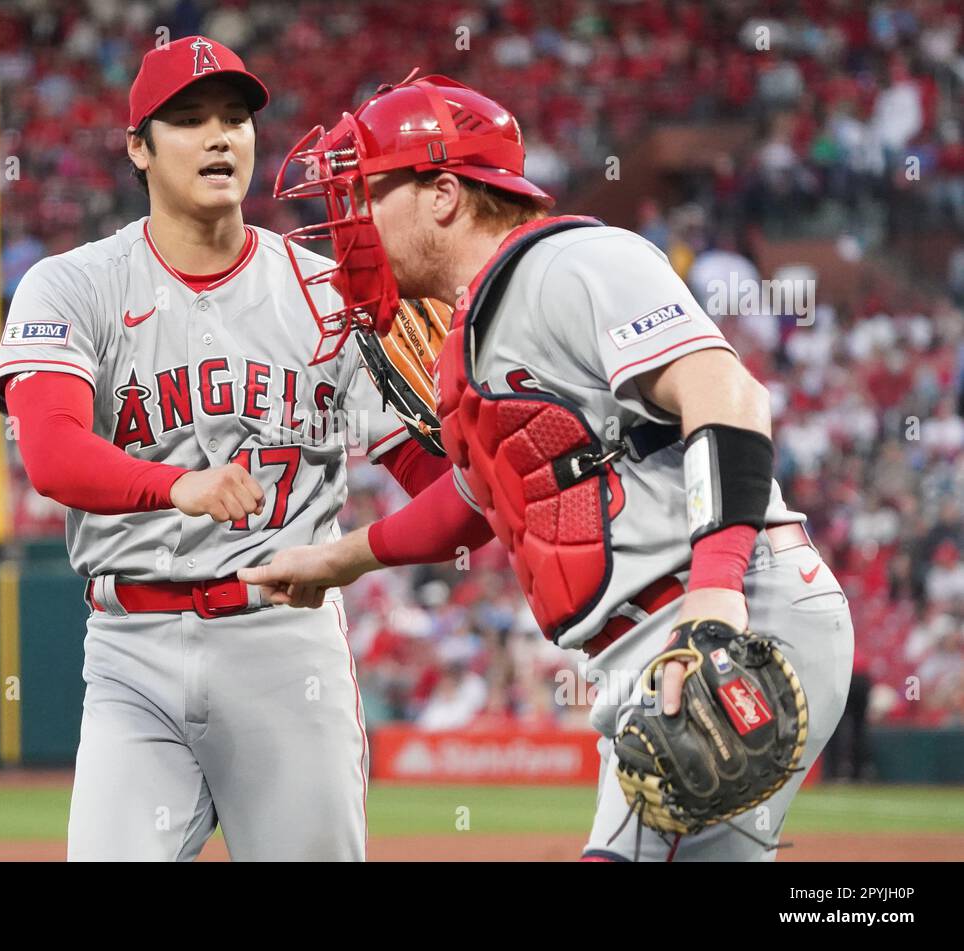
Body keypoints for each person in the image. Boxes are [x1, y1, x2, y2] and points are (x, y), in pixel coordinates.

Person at [240, 72, 855, 861]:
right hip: (653, 642)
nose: (348, 222)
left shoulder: (572, 260)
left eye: (366, 193)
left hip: (723, 620)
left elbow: (726, 394)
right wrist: (335, 560)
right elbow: (472, 499)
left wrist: (714, 595)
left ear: (443, 195)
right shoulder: (478, 325)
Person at [0, 38, 449, 861]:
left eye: (235, 118)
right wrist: (177, 487)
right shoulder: (73, 284)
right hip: (132, 645)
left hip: (283, 641)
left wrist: (481, 460)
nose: (219, 137)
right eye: (189, 120)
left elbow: (432, 474)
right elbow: (52, 454)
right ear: (138, 147)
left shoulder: (326, 292)